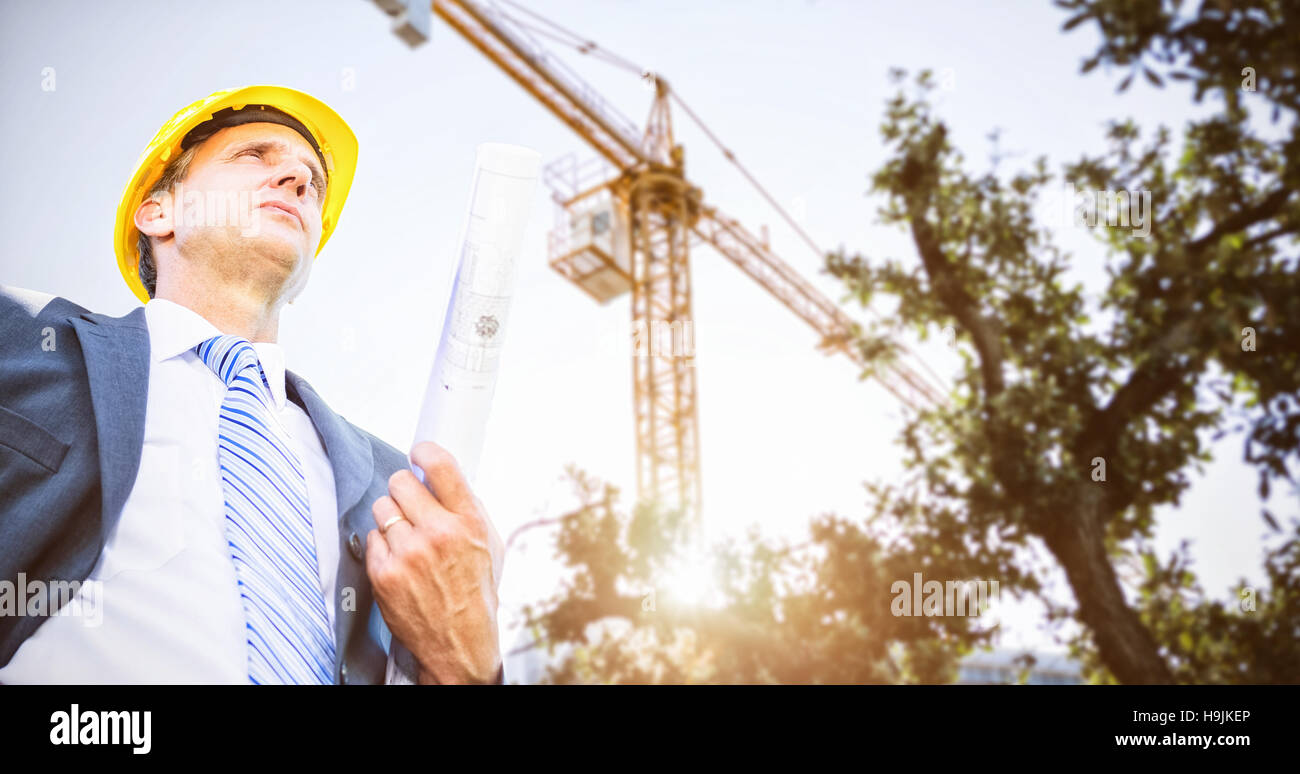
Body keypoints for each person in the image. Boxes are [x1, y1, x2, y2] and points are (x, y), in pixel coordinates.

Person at [0, 85, 505, 684]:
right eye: (254, 156)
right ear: (159, 211)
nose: (296, 176)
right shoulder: (21, 338)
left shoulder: (393, 486)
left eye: (312, 182)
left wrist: (469, 665)